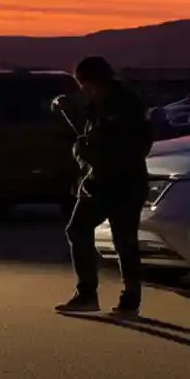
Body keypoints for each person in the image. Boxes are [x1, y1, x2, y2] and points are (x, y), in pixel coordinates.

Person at [54, 56, 152, 316]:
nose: (84, 91)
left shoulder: (125, 107)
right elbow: (88, 136)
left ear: (97, 82)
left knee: (123, 241)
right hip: (97, 183)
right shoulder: (98, 105)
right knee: (79, 231)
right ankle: (89, 293)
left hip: (122, 184)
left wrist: (89, 151)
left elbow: (131, 148)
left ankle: (127, 299)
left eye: (85, 85)